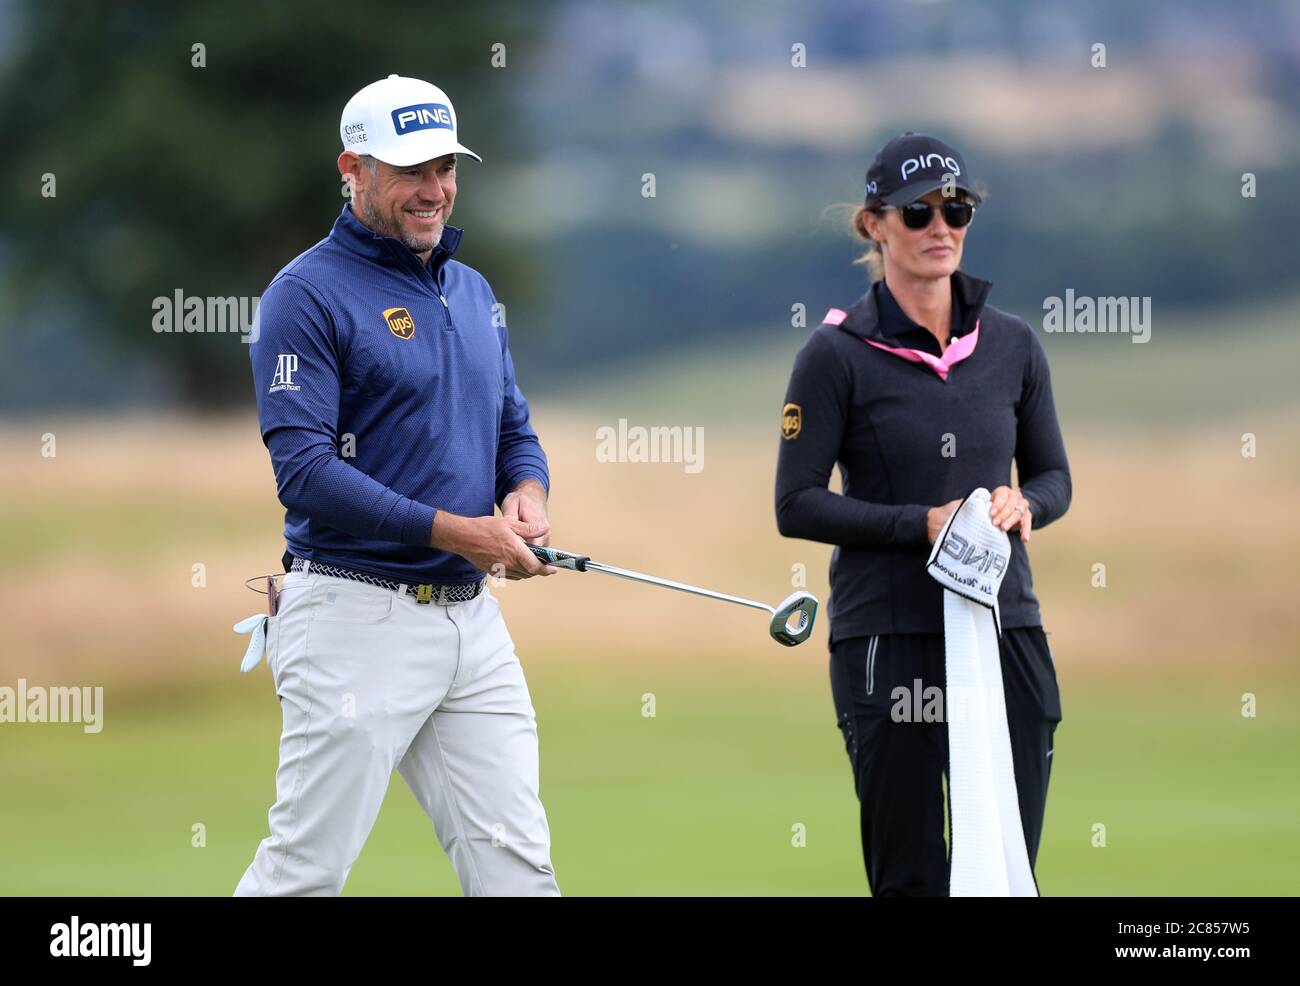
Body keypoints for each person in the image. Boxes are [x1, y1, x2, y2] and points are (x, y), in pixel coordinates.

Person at [236, 75, 560, 896]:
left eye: (445, 167)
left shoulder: (471, 289)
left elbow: (511, 427)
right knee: (306, 871)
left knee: (519, 872)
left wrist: (527, 493)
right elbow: (304, 473)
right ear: (354, 168)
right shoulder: (303, 295)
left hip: (470, 626)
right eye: (411, 169)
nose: (434, 190)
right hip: (352, 619)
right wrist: (463, 532)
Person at [774, 132, 1071, 896]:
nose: (941, 226)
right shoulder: (835, 353)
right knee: (911, 877)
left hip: (1006, 626)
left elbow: (1053, 477)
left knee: (1007, 867)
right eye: (917, 213)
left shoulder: (1013, 345)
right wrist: (920, 524)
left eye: (957, 207)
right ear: (875, 224)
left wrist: (1023, 501)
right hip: (888, 636)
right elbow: (795, 503)